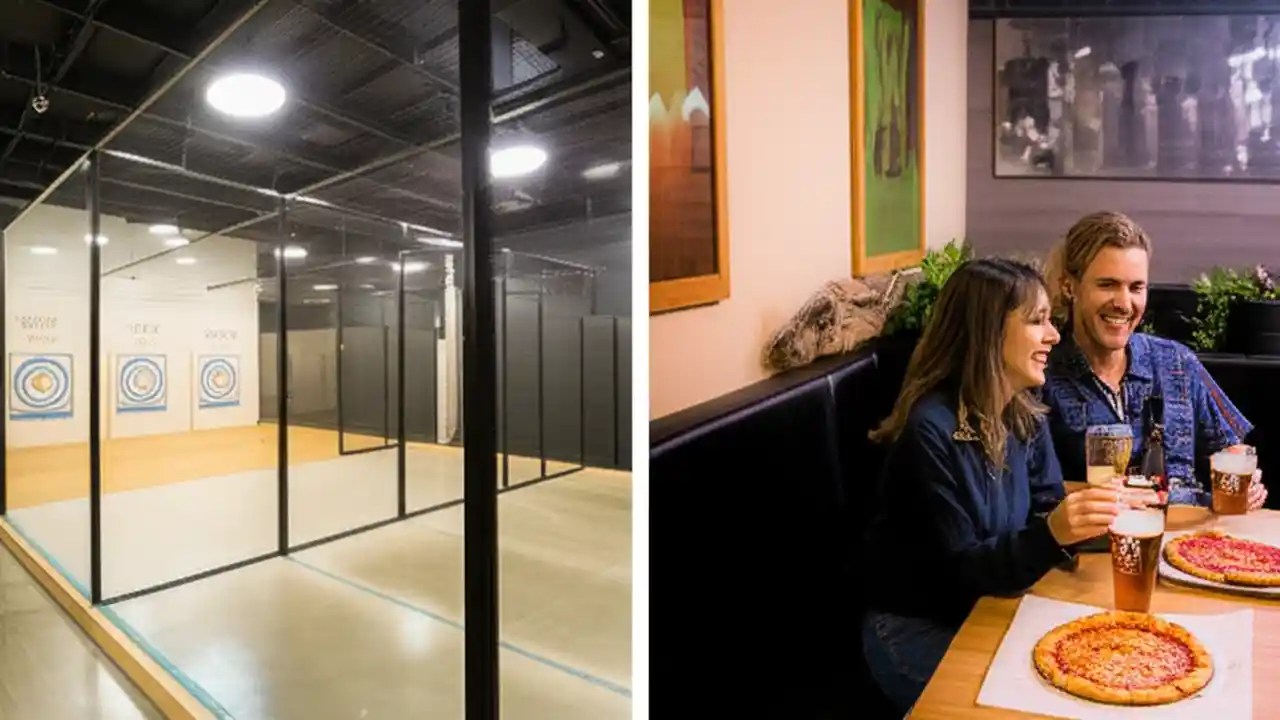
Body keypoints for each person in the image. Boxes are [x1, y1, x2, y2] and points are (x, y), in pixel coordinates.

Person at [859, 257, 1151, 715]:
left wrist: (1099, 515)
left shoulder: (1021, 412)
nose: (1054, 335)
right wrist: (1053, 533)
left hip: (989, 608)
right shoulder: (928, 433)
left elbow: (1046, 506)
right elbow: (960, 574)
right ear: (988, 331)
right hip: (917, 628)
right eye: (1037, 321)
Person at [1041, 210, 1267, 509]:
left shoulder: (1177, 361)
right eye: (1107, 285)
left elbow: (1230, 447)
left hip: (1191, 541)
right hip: (1093, 549)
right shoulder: (1041, 375)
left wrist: (1243, 476)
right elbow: (1035, 493)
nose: (1124, 303)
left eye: (1136, 287)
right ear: (1070, 287)